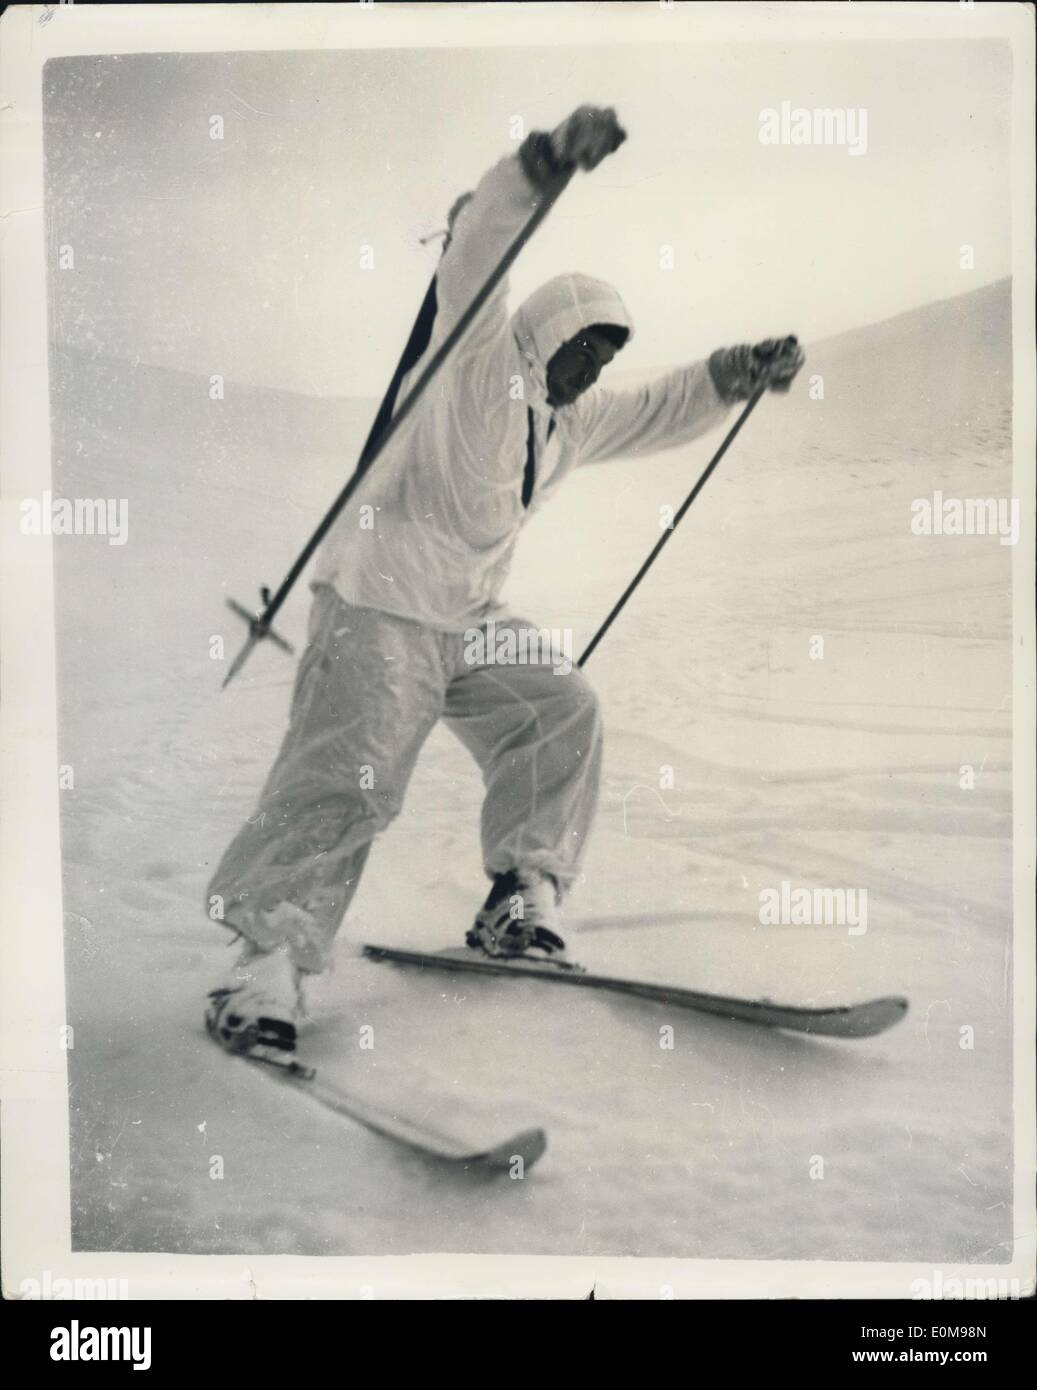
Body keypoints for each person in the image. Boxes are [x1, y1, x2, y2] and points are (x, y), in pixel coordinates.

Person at [205, 105, 805, 1058]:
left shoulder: (565, 420)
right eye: (583, 348)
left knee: (559, 708)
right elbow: (479, 250)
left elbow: (659, 406)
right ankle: (260, 969)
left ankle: (517, 899)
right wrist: (540, 165)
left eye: (604, 357)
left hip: (467, 618)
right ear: (545, 331)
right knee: (346, 786)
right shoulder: (476, 360)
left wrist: (734, 372)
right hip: (380, 603)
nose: (593, 368)